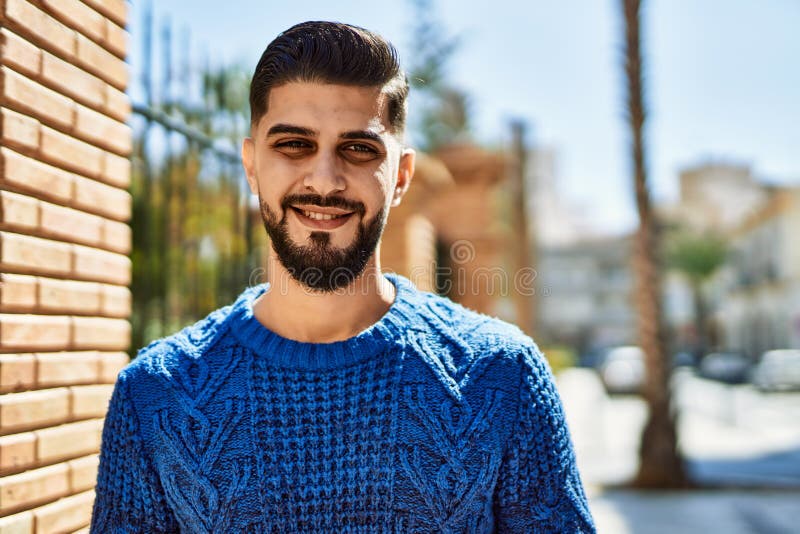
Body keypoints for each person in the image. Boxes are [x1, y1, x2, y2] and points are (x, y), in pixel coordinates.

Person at [90, 21, 595, 533]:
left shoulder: (500, 375)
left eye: (358, 149)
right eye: (293, 145)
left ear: (399, 176)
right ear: (250, 165)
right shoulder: (156, 393)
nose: (325, 180)